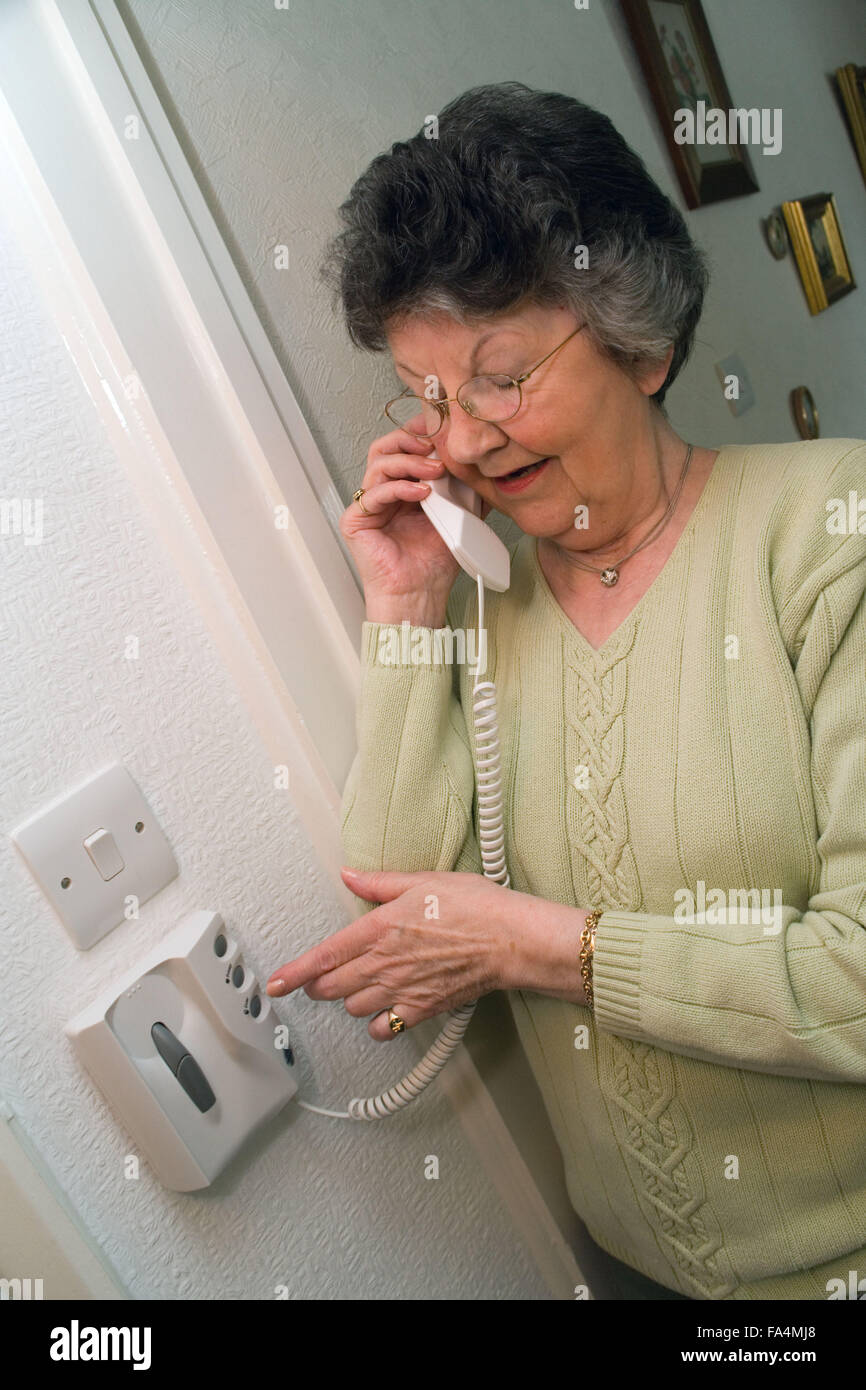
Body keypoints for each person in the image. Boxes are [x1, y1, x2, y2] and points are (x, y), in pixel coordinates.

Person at [266, 81, 866, 1301]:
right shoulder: (486, 607)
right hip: (630, 1267)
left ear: (639, 341)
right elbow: (401, 887)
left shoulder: (825, 536)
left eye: (500, 376)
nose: (468, 443)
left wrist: (548, 950)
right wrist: (407, 606)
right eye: (429, 396)